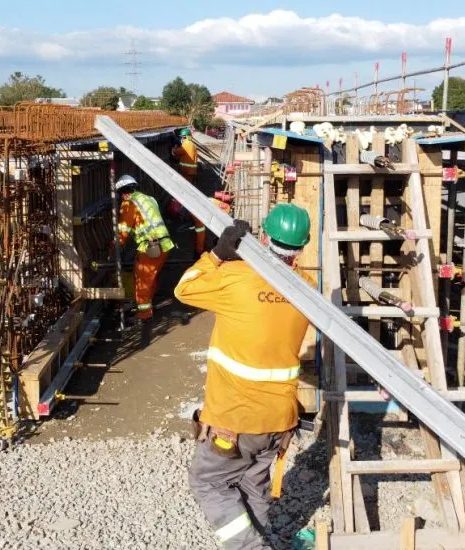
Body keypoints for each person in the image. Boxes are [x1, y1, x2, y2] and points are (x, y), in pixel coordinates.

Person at [174, 204, 314, 549]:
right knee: (253, 485)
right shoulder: (307, 289)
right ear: (303, 245)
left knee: (207, 483)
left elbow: (184, 289)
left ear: (263, 237)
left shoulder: (235, 278)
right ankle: (267, 538)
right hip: (278, 419)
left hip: (234, 419)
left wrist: (218, 254)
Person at [115, 174, 175, 321]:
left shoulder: (129, 203)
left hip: (151, 246)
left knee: (143, 281)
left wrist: (115, 246)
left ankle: (144, 314)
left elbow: (123, 230)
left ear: (122, 193)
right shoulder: (148, 199)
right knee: (150, 277)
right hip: (164, 244)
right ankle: (147, 303)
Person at [171, 127, 206, 259]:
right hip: (190, 173)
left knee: (184, 194)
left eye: (181, 137)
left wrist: (174, 146)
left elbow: (175, 153)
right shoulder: (192, 144)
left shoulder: (186, 144)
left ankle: (182, 213)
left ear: (183, 137)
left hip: (186, 173)